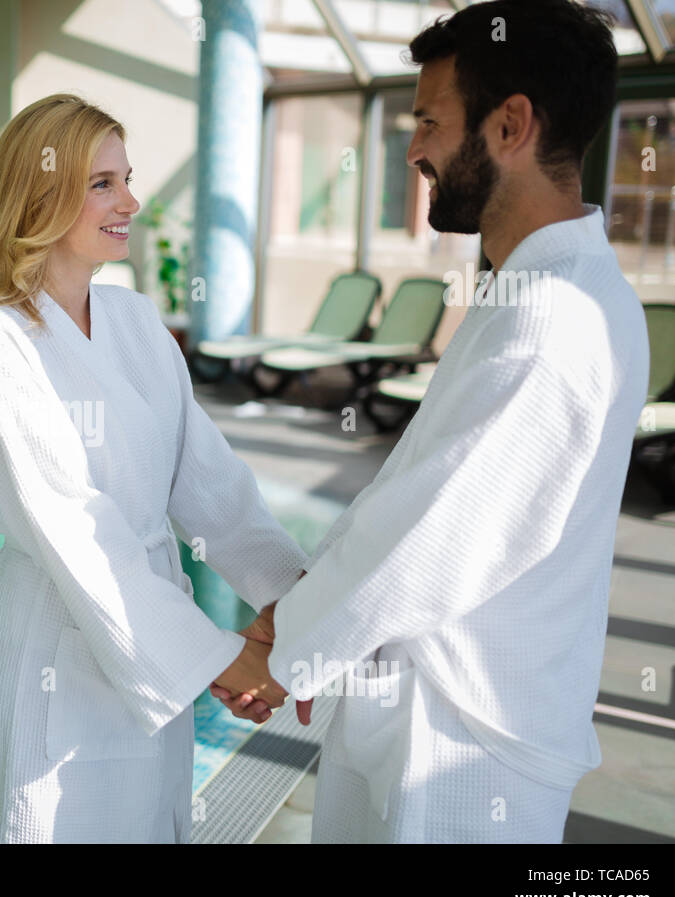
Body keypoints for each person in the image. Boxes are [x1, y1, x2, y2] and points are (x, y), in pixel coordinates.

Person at [212, 0, 650, 843]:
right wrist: (301, 615)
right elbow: (411, 491)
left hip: (463, 761)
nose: (413, 149)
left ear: (510, 125)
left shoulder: (550, 324)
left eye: (428, 122)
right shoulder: (531, 291)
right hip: (442, 716)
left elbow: (426, 541)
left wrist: (285, 646)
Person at [0, 93, 308, 843]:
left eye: (127, 178)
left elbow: (211, 485)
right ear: (40, 194)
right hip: (56, 637)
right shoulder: (1, 342)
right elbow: (76, 532)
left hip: (149, 637)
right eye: (103, 182)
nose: (132, 201)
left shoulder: (139, 322)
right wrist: (218, 658)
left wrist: (298, 606)